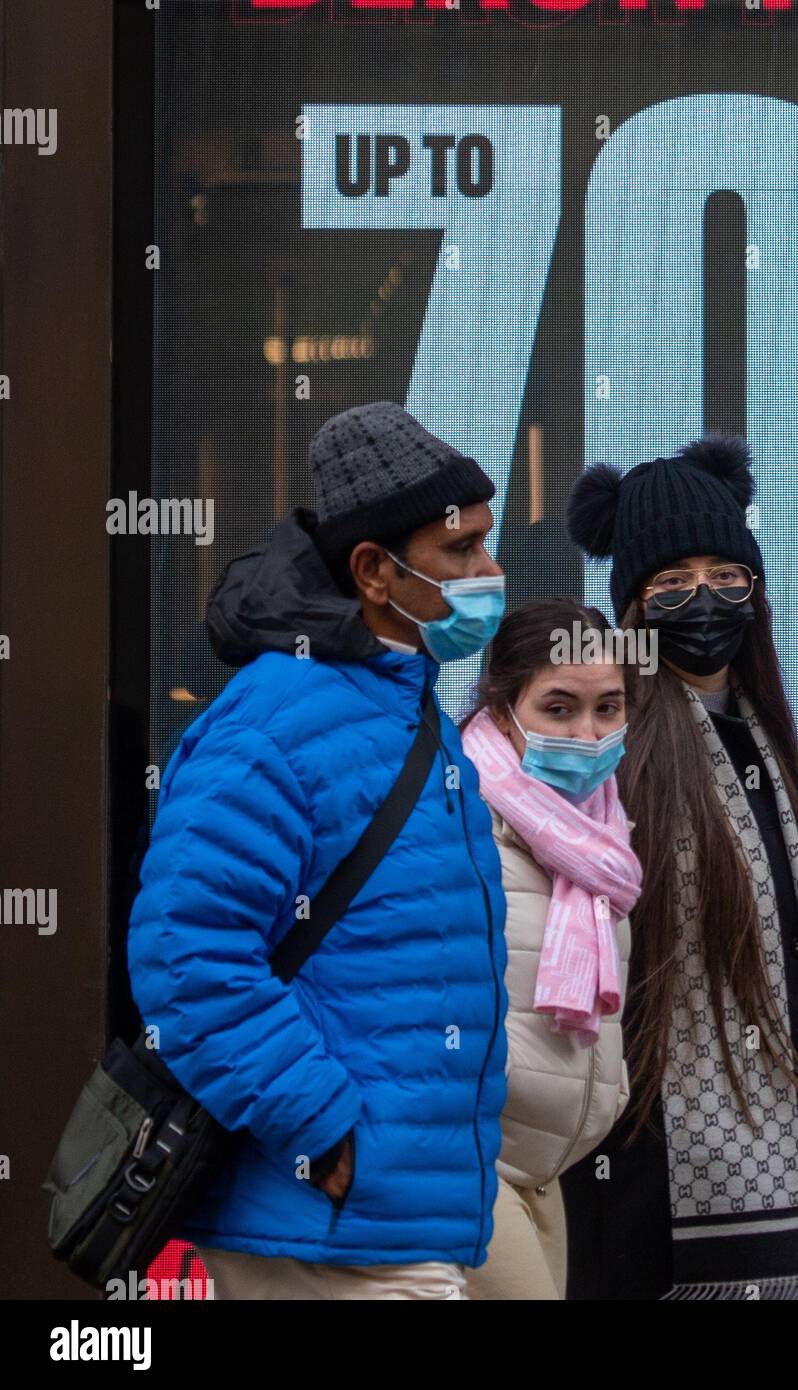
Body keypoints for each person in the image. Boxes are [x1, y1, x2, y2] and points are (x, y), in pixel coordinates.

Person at [126, 401, 509, 1300]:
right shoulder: (276, 719)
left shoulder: (401, 708)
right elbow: (185, 956)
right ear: (375, 571)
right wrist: (325, 1131)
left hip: (382, 1221)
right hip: (327, 1225)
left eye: (487, 545)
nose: (491, 572)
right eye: (462, 551)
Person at [560, 433, 798, 1300]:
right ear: (634, 602)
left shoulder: (756, 727)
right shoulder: (607, 738)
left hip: (779, 1154)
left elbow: (757, 955)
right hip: (647, 1172)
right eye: (672, 581)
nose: (704, 596)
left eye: (727, 574)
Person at [458, 599, 643, 1299]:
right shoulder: (459, 823)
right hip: (470, 1163)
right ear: (504, 711)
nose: (589, 734)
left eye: (609, 707)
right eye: (559, 708)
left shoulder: (603, 836)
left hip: (544, 1173)